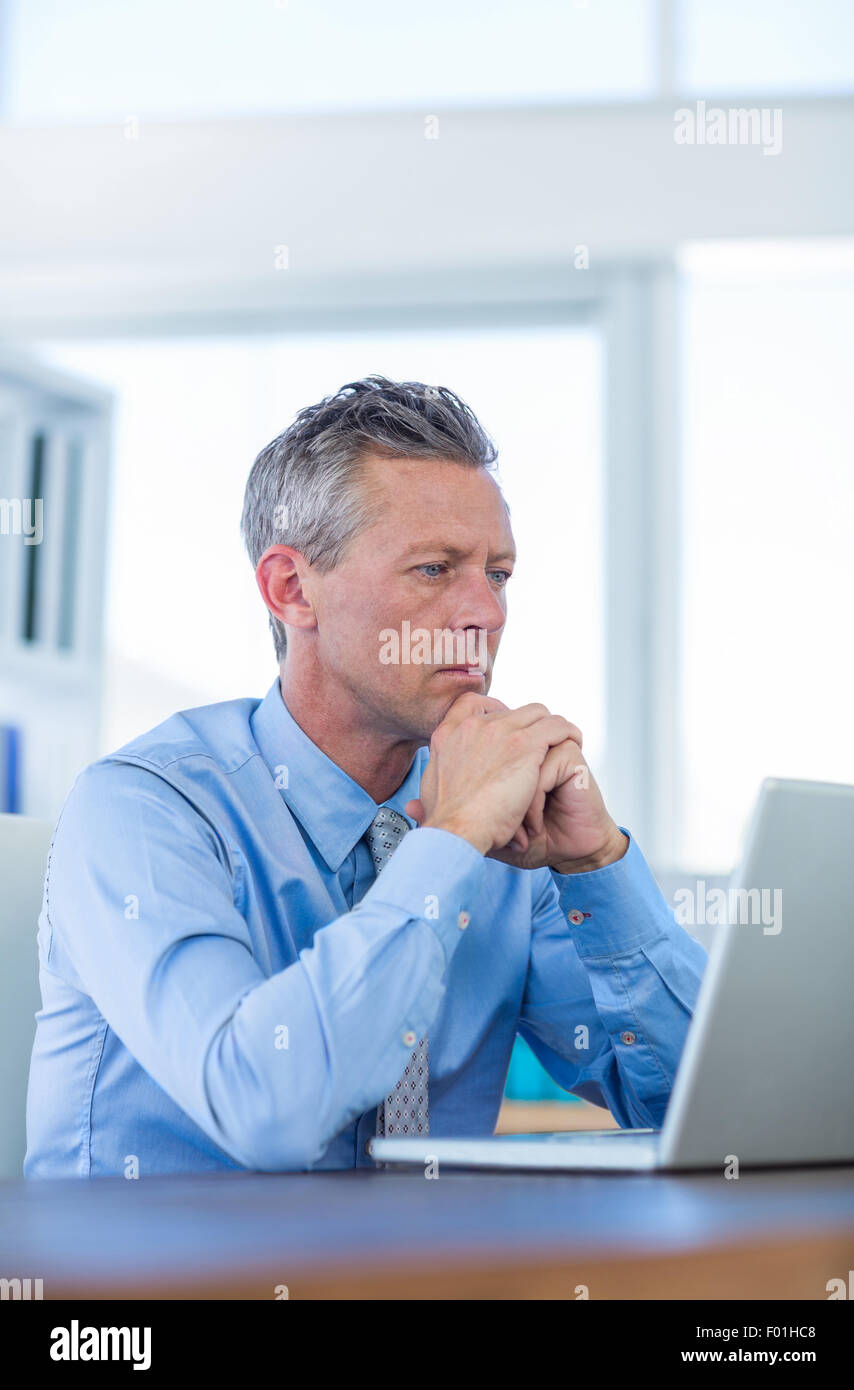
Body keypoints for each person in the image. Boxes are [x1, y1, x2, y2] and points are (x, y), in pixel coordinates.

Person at [24, 376, 707, 1178]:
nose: (484, 613)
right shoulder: (143, 810)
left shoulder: (505, 832)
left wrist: (598, 867)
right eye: (433, 569)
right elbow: (266, 1109)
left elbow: (697, 1107)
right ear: (292, 589)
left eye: (497, 573)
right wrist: (445, 847)